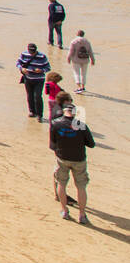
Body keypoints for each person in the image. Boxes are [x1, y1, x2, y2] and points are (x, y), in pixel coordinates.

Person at [50, 94, 95, 225]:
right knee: (81, 187)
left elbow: (53, 143)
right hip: (79, 159)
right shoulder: (81, 125)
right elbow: (91, 144)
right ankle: (82, 214)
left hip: (62, 157)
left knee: (61, 184)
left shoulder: (55, 123)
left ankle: (64, 210)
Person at [17, 42, 50, 122]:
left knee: (37, 96)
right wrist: (22, 69)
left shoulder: (42, 56)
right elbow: (18, 63)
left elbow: (48, 67)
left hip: (39, 79)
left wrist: (41, 70)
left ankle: (39, 115)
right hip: (28, 79)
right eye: (31, 52)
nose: (32, 54)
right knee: (29, 95)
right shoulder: (24, 54)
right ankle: (32, 111)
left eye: (33, 52)